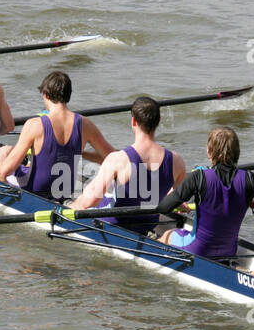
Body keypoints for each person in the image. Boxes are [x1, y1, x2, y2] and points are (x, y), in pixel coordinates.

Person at [157, 126, 254, 258]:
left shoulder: (198, 177)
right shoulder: (251, 179)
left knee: (170, 234)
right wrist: (253, 203)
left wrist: (176, 201)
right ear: (238, 152)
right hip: (230, 251)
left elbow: (163, 208)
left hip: (198, 250)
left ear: (209, 151)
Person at [67, 96, 186, 235]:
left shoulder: (118, 159)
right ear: (158, 121)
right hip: (146, 226)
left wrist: (67, 208)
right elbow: (179, 197)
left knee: (80, 200)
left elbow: (90, 200)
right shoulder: (177, 161)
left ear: (133, 121)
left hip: (113, 226)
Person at [0, 71, 114, 203]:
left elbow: (7, 169)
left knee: (4, 156)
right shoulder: (86, 124)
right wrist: (82, 153)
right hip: (65, 191)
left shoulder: (34, 125)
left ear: (46, 95)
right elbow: (113, 157)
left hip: (34, 189)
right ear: (68, 96)